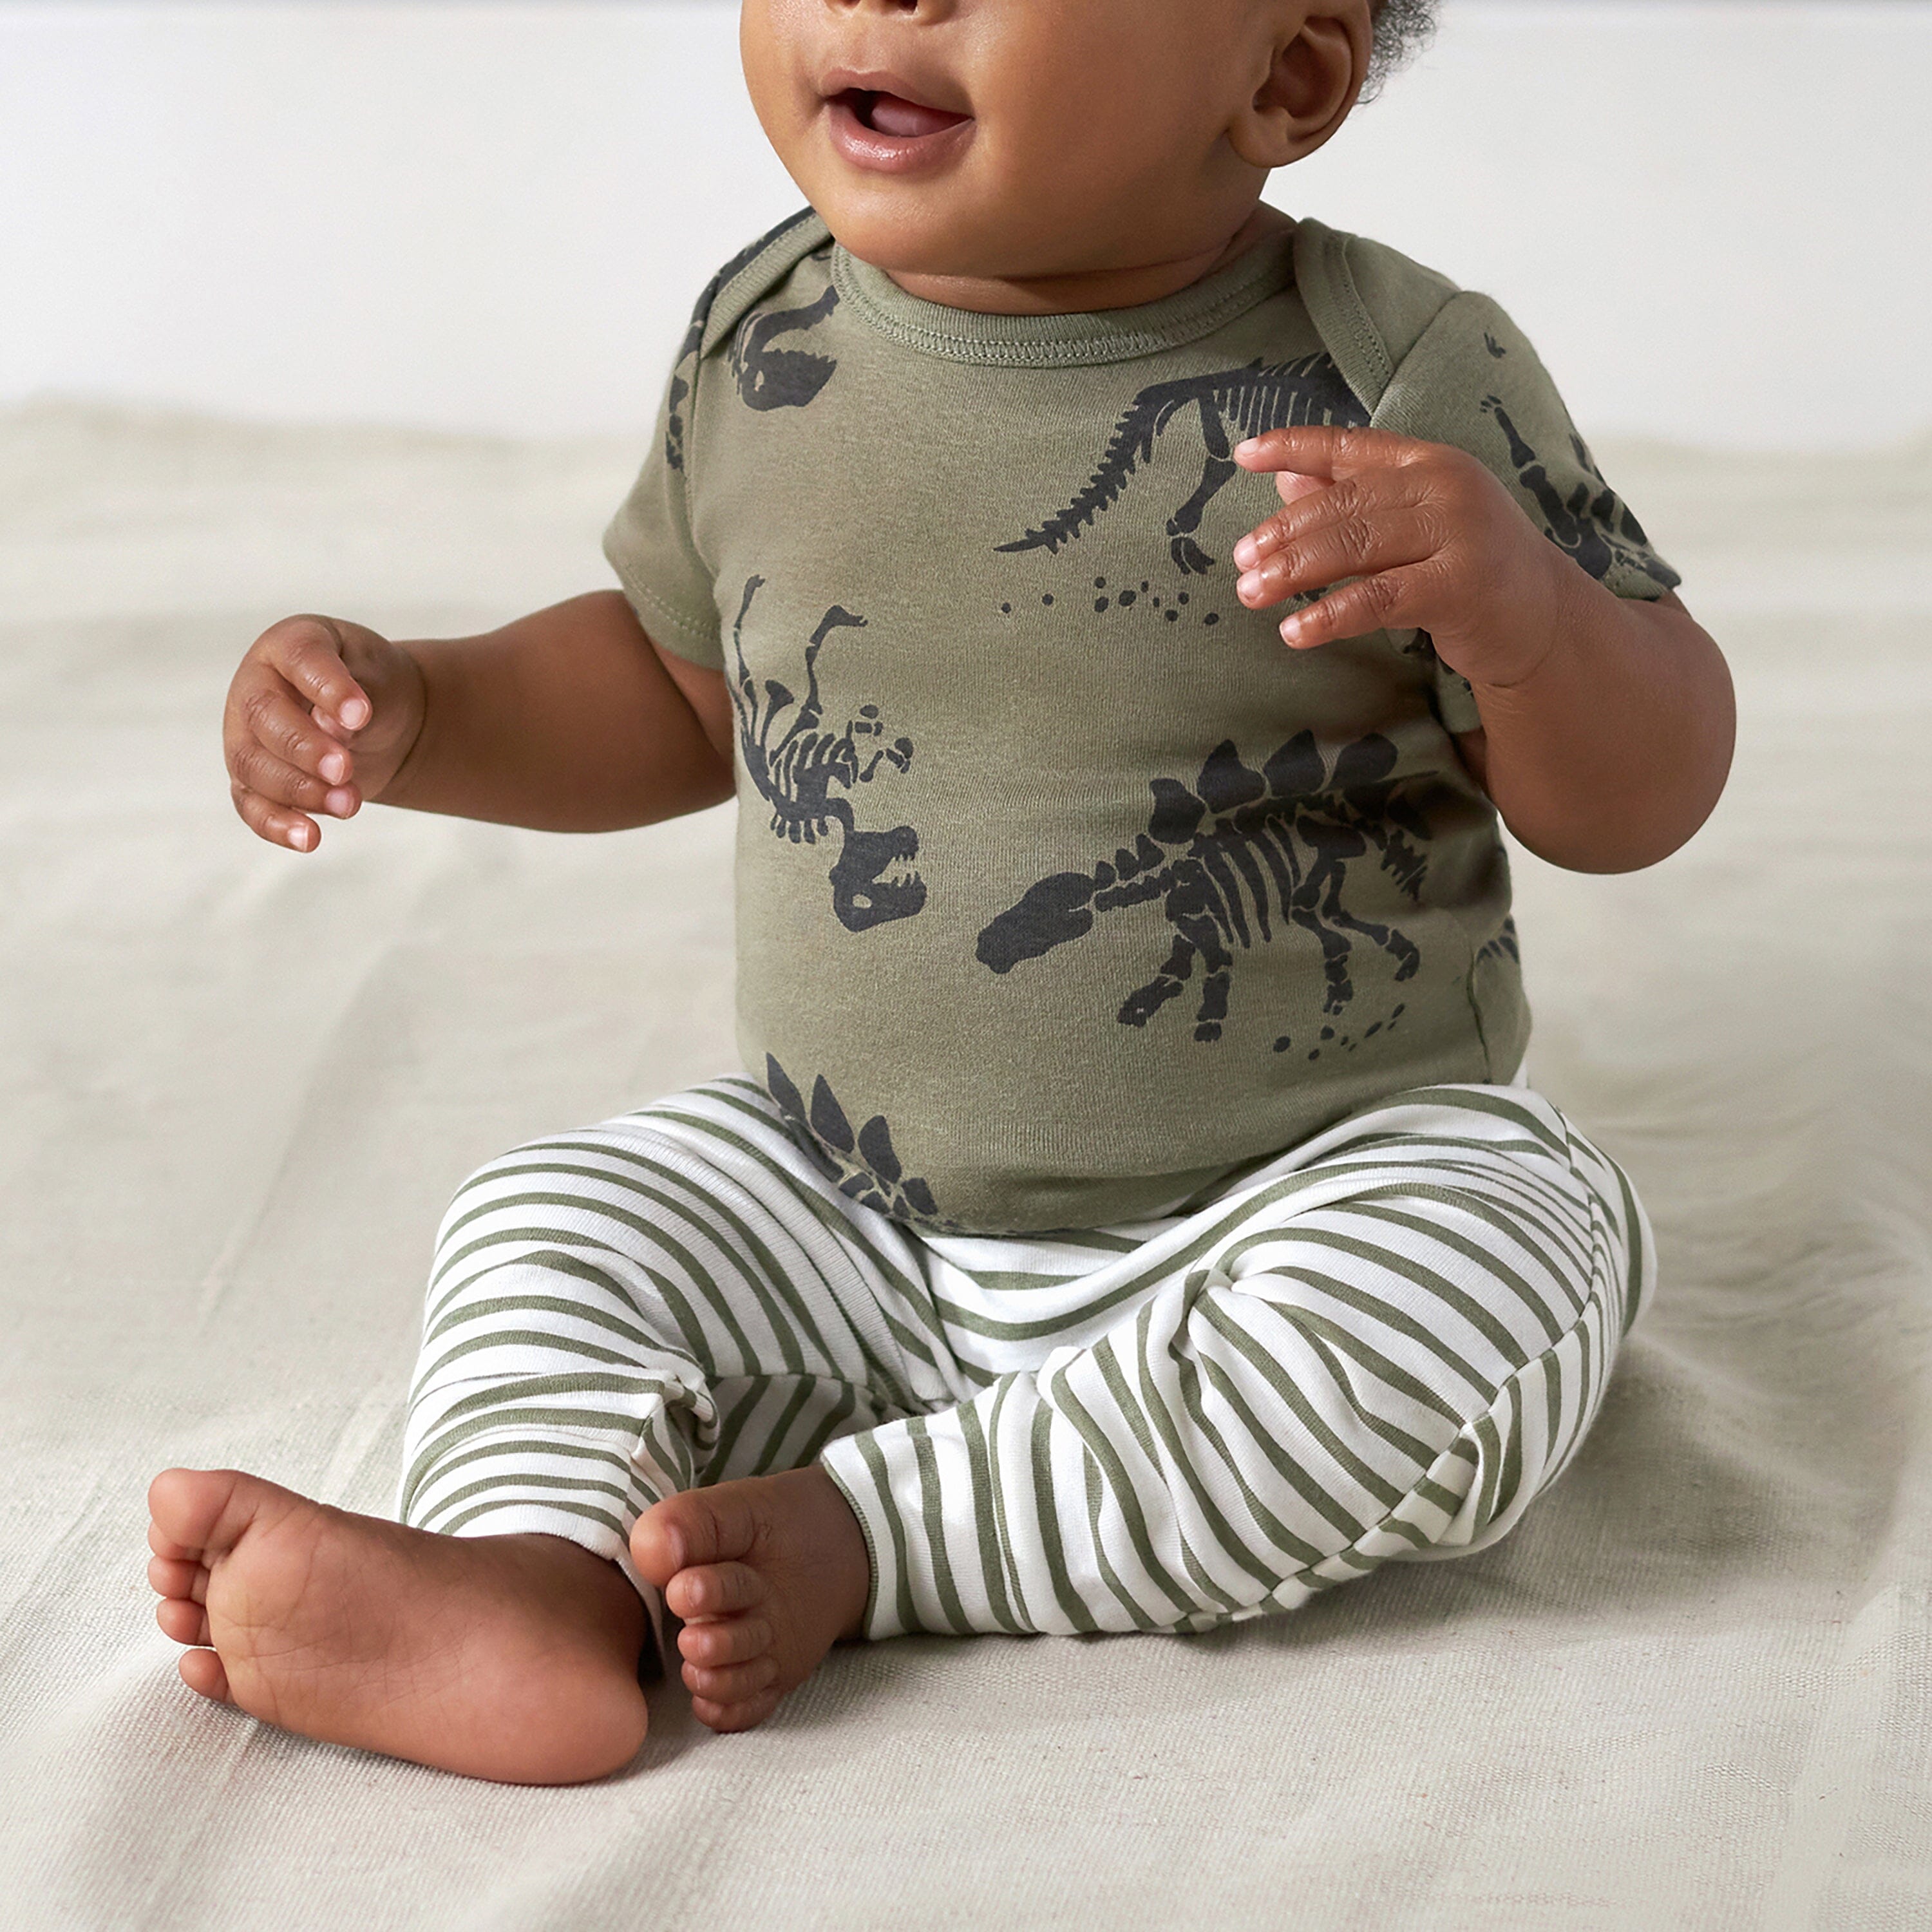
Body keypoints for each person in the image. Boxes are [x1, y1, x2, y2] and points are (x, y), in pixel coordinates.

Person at [146, 0, 1735, 1786]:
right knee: (549, 1219)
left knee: (1495, 1258)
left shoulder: (1393, 377)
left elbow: (1644, 794)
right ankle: (532, 1582)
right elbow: (684, 691)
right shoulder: (767, 344)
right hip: (849, 1203)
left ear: (1282, 75)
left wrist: (1528, 617)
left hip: (1290, 1198)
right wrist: (428, 712)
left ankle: (881, 1536)